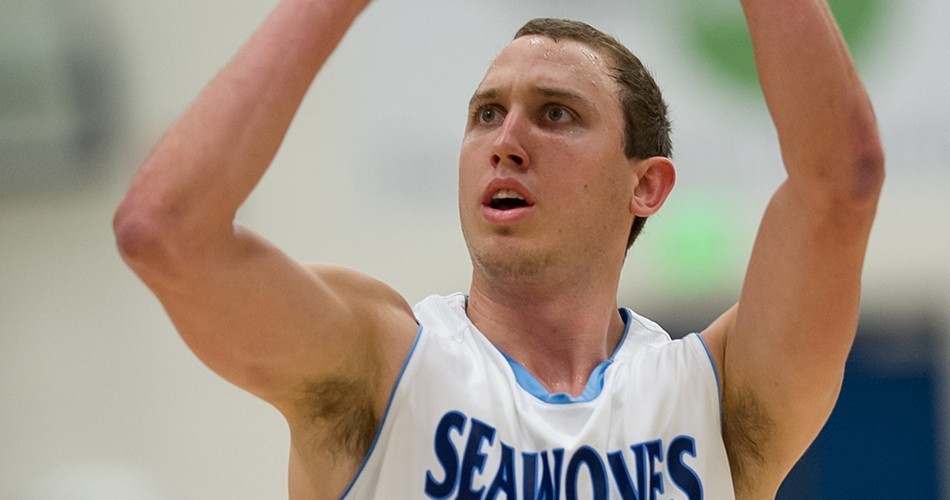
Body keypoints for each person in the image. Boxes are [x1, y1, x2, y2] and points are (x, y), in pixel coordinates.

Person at [113, 0, 884, 498]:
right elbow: (165, 233)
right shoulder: (379, 367)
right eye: (486, 114)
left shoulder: (717, 401)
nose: (506, 142)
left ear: (646, 186)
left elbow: (840, 185)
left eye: (555, 114)